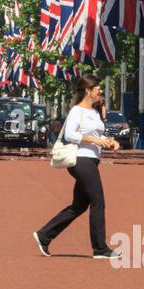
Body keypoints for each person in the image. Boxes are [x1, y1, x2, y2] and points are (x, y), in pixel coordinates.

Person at [34, 72, 119, 259]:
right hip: (80, 159)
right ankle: (100, 248)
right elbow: (70, 135)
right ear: (88, 90)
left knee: (79, 206)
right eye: (98, 89)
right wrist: (94, 141)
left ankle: (44, 235)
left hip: (92, 159)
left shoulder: (95, 112)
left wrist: (110, 141)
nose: (101, 92)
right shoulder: (76, 111)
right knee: (98, 201)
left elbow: (100, 135)